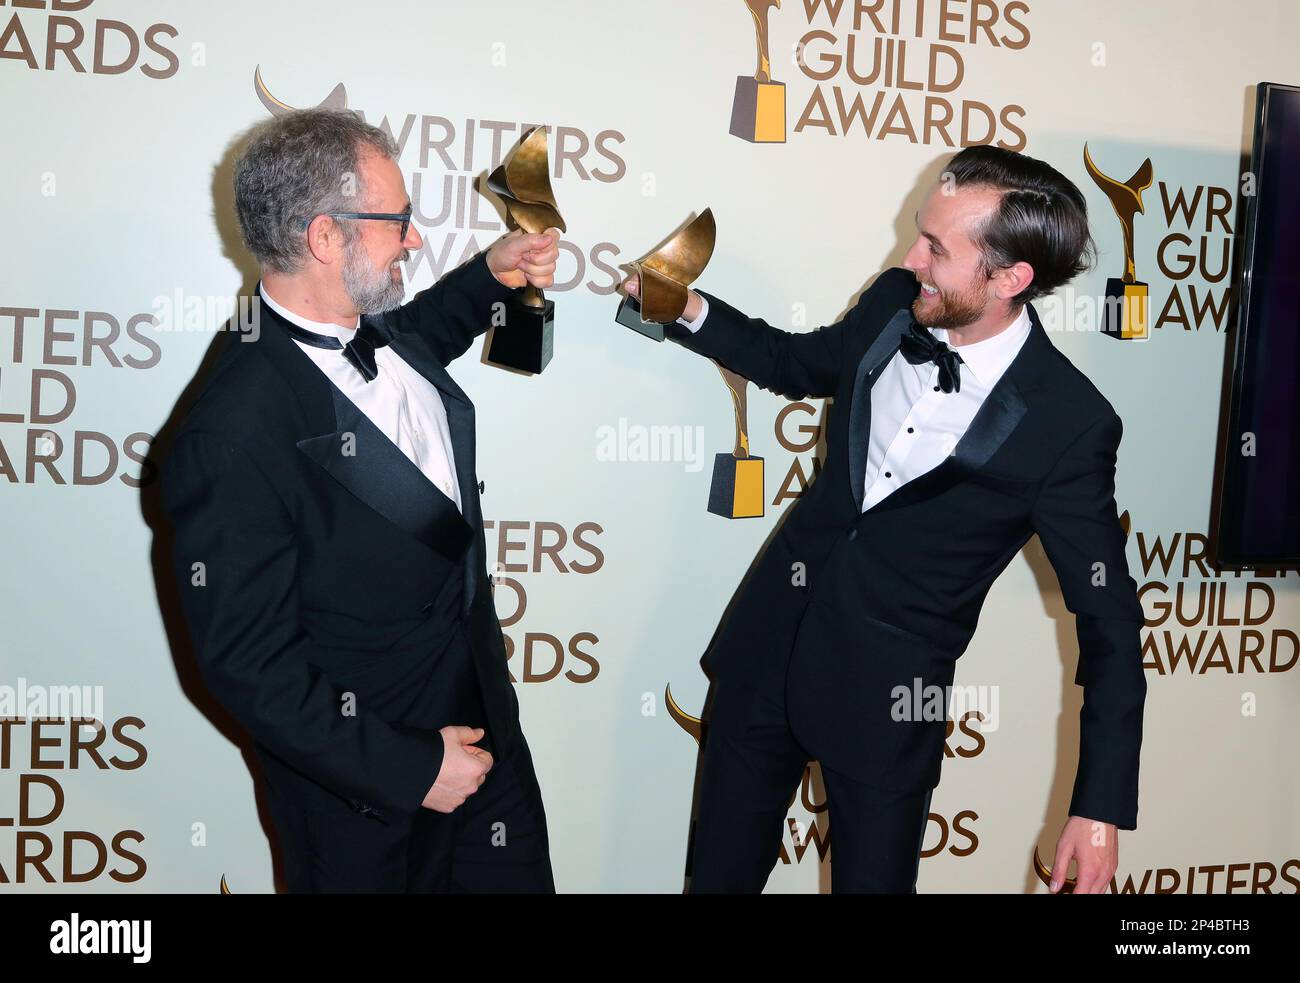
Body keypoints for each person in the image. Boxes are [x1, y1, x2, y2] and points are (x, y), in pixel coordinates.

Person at [624, 144, 1146, 894]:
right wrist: (681, 305)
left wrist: (1099, 808)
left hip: (888, 702)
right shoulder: (895, 300)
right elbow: (799, 364)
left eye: (936, 246)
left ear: (1010, 278)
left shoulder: (1069, 423)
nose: (911, 257)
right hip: (766, 650)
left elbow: (1110, 624)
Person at [163, 108, 560, 892]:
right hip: (370, 804)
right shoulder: (232, 429)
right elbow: (250, 667)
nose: (414, 239)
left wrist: (493, 271)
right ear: (324, 239)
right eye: (398, 222)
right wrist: (413, 766)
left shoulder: (370, 326)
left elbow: (413, 337)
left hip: (492, 750)